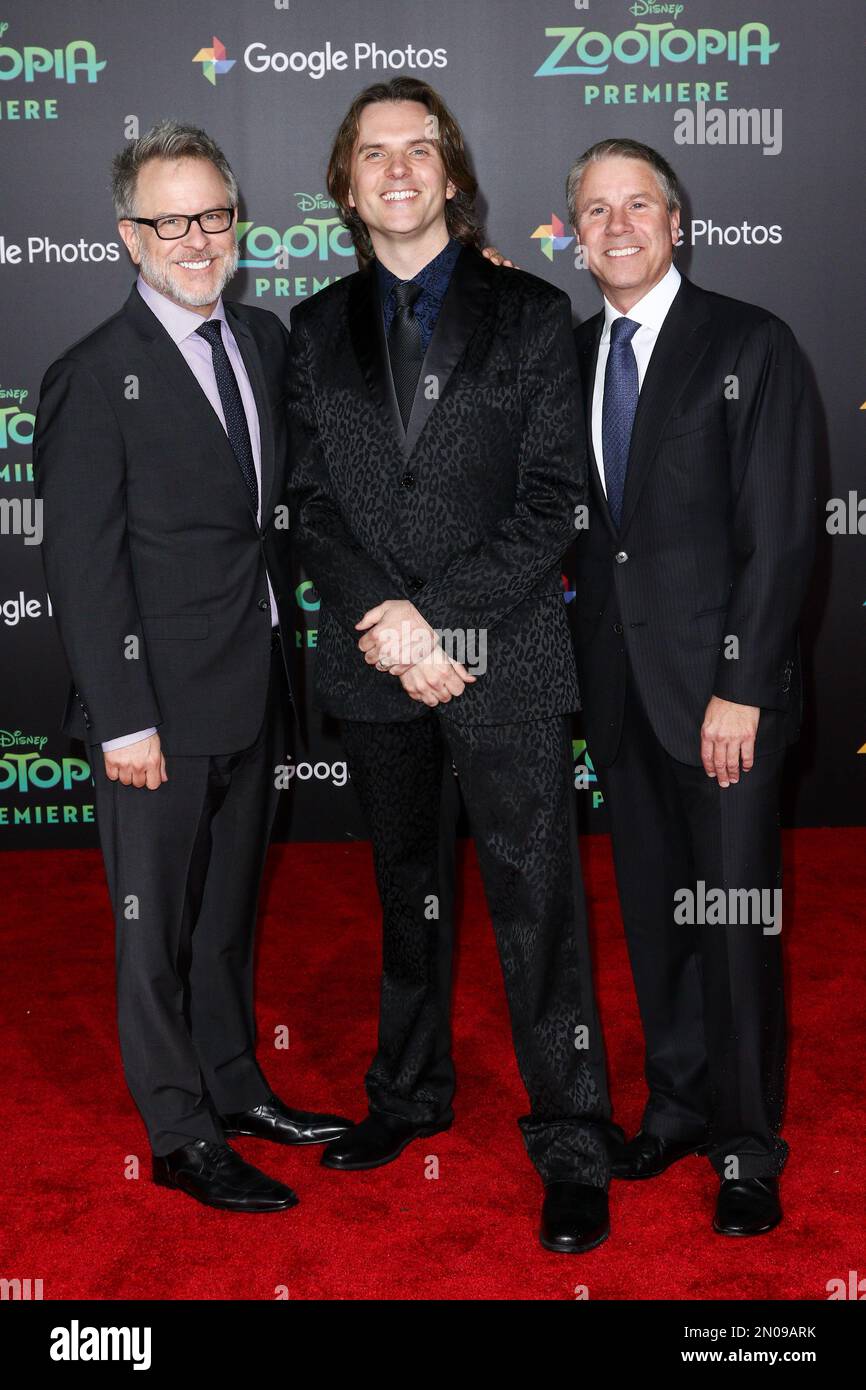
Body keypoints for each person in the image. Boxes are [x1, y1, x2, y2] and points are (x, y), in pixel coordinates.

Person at [286, 77, 622, 1254]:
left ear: (449, 170)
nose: (394, 168)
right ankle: (408, 1093)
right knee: (405, 893)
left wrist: (437, 623)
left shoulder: (529, 315)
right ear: (343, 182)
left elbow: (551, 500)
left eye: (415, 148)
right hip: (376, 655)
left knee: (538, 909)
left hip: (505, 654)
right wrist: (387, 620)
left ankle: (573, 1139)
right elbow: (310, 502)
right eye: (370, 151)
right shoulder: (311, 325)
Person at [33, 120, 349, 1214]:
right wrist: (121, 719)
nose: (195, 238)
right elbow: (82, 564)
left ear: (234, 221)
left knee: (223, 918)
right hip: (154, 709)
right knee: (151, 929)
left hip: (254, 688)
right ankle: (178, 1133)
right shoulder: (90, 376)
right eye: (169, 221)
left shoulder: (262, 341)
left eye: (212, 214)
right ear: (129, 236)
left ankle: (235, 1086)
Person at [568, 138, 816, 1234]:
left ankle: (746, 1142)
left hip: (722, 703)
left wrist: (740, 686)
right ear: (571, 236)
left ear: (677, 223)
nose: (615, 226)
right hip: (619, 694)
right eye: (592, 211)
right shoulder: (571, 355)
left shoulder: (747, 343)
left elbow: (782, 536)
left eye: (636, 206)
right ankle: (674, 1103)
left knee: (731, 923)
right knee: (655, 914)